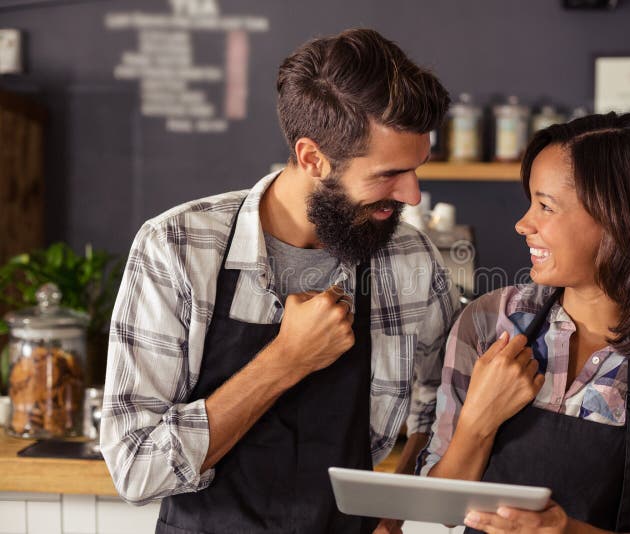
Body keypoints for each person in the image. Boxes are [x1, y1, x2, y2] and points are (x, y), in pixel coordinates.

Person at [100, 28, 459, 534]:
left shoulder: (408, 257)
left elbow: (445, 400)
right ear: (312, 157)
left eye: (417, 169)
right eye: (388, 174)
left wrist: (395, 506)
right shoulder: (177, 247)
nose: (414, 195)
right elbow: (136, 471)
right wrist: (287, 359)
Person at [416, 112, 630, 534]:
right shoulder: (488, 321)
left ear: (620, 220)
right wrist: (478, 421)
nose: (522, 223)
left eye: (545, 206)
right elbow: (437, 510)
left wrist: (560, 531)